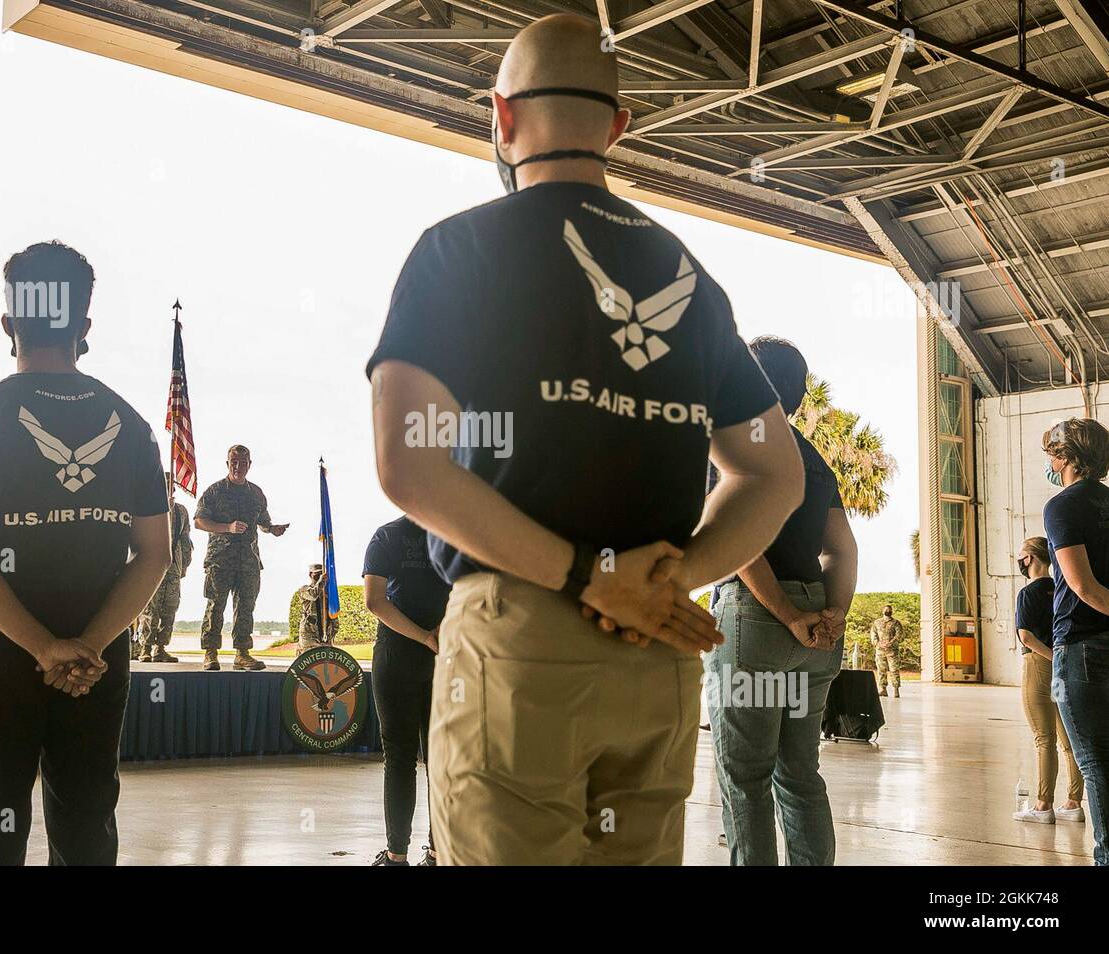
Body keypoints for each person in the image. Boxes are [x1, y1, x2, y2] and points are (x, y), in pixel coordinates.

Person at [366, 14, 804, 865]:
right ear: (617, 127)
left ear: (501, 116)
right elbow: (772, 474)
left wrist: (588, 575)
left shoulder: (458, 250)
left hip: (521, 644)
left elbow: (406, 463)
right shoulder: (689, 277)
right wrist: (668, 580)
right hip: (658, 653)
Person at [0, 240, 171, 865]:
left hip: (2, 664)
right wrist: (83, 647)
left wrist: (42, 648)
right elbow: (153, 555)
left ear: (8, 322)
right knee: (87, 824)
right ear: (84, 325)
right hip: (96, 663)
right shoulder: (133, 426)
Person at [706, 337, 858, 866]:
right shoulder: (814, 460)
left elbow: (736, 539)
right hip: (814, 628)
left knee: (745, 775)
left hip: (759, 620)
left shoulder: (731, 446)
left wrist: (788, 616)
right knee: (799, 773)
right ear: (798, 395)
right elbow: (842, 549)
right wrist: (831, 613)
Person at [363, 515, 452, 867]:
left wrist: (423, 637)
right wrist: (435, 634)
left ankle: (396, 856)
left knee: (399, 757)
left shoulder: (387, 535)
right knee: (441, 758)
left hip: (398, 652)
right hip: (442, 652)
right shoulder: (452, 534)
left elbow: (375, 601)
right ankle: (437, 853)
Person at [1043, 417, 1109, 865]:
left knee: (1096, 765)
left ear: (1067, 457)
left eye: (1052, 452)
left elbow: (1082, 586)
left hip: (1081, 647)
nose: (1049, 461)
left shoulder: (1062, 506)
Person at [195, 445, 288, 671]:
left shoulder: (256, 493)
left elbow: (263, 522)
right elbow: (199, 521)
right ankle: (210, 653)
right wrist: (227, 527)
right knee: (216, 605)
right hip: (220, 560)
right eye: (234, 462)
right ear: (228, 464)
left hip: (248, 560)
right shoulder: (214, 492)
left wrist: (272, 529)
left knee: (246, 606)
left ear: (249, 465)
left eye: (243, 462)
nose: (238, 466)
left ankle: (242, 654)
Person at [1012, 535, 1084, 824]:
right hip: (1062, 671)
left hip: (1038, 666)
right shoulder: (1060, 590)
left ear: (1030, 558)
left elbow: (1025, 635)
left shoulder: (1027, 594)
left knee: (1044, 739)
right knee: (1068, 740)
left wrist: (1049, 656)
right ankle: (1074, 802)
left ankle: (1043, 805)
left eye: (1021, 554)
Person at [137, 472, 192, 663]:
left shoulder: (181, 511)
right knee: (150, 609)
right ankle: (145, 647)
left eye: (170, 485)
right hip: (151, 567)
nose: (168, 488)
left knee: (169, 609)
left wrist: (184, 564)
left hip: (173, 568)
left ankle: (160, 647)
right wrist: (164, 509)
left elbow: (185, 540)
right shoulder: (148, 508)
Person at [296, 563, 338, 651]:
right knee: (309, 660)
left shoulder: (327, 592)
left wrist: (333, 630)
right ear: (310, 574)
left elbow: (333, 611)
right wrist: (322, 581)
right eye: (317, 574)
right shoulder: (304, 590)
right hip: (309, 632)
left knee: (326, 661)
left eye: (321, 573)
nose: (320, 576)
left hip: (325, 632)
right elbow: (314, 595)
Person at [870, 604, 903, 698]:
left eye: (889, 610)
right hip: (880, 651)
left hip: (892, 651)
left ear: (892, 611)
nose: (887, 611)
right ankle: (883, 689)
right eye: (886, 609)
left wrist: (890, 643)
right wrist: (877, 643)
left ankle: (896, 689)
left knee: (894, 670)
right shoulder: (877, 622)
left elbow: (899, 635)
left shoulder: (896, 623)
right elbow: (873, 634)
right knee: (881, 670)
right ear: (882, 611)